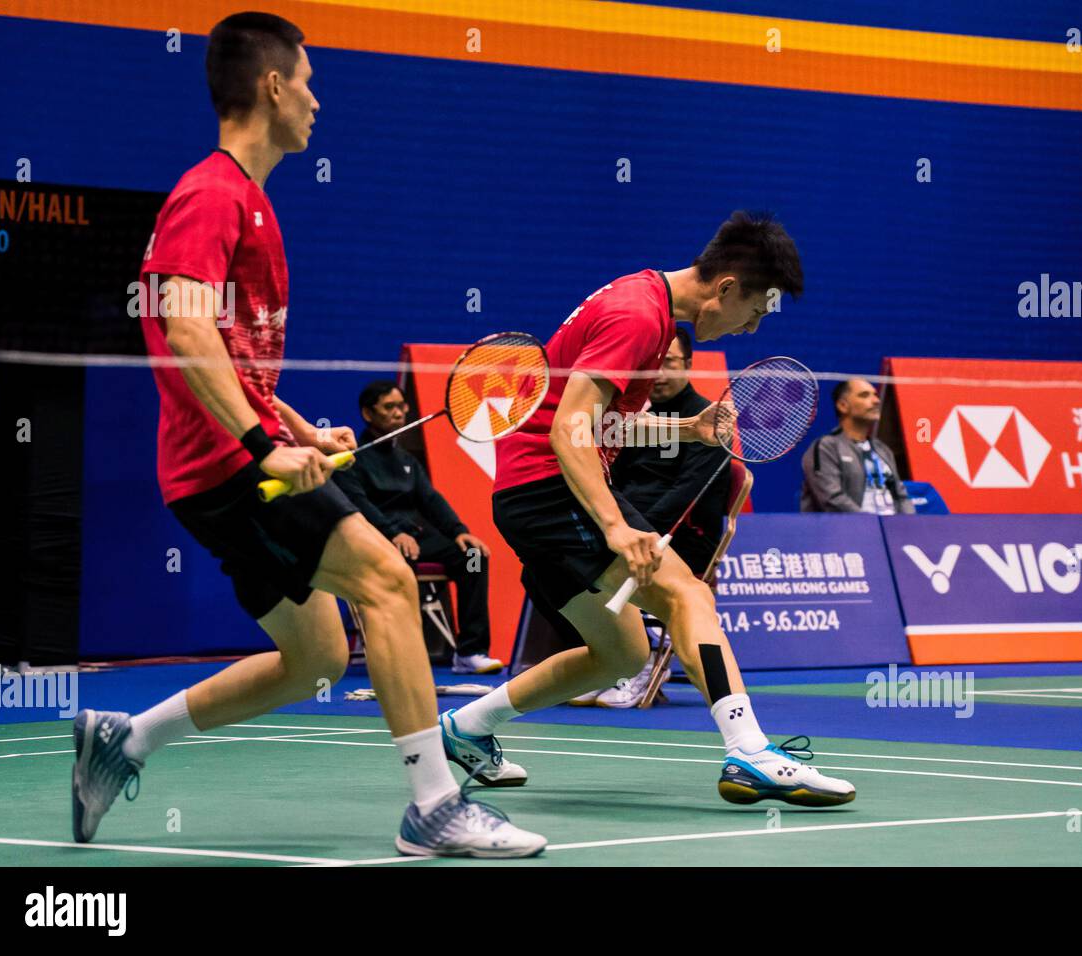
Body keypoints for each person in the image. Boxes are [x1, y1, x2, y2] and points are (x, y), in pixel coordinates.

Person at [70, 12, 543, 858]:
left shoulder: (248, 202)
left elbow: (231, 352)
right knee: (391, 581)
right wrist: (261, 449)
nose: (319, 101)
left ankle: (125, 740)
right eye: (311, 80)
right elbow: (184, 333)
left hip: (232, 461)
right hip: (228, 471)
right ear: (273, 85)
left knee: (317, 657)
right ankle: (433, 804)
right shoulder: (209, 193)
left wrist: (289, 424)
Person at [436, 212, 856, 808]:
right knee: (689, 595)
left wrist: (688, 427)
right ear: (727, 287)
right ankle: (751, 751)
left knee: (621, 654)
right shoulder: (638, 317)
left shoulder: (644, 303)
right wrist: (614, 525)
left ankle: (465, 728)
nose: (753, 328)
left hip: (530, 494)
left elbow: (600, 423)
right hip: (552, 486)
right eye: (756, 311)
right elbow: (569, 430)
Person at [574, 328, 730, 707]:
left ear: (690, 365)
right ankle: (606, 662)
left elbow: (686, 497)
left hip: (681, 537)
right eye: (654, 365)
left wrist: (627, 530)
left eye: (670, 364)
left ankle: (640, 666)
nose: (659, 373)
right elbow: (610, 477)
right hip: (626, 527)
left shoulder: (708, 421)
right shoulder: (632, 418)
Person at [334, 381, 503, 675]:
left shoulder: (406, 461)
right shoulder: (351, 460)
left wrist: (458, 531)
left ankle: (470, 652)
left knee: (473, 558)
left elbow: (430, 500)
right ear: (367, 413)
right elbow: (358, 506)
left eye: (402, 406)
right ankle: (402, 652)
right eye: (389, 407)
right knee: (402, 561)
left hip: (414, 538)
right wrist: (392, 534)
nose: (399, 413)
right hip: (376, 540)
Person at [800, 378, 914, 514]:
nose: (876, 401)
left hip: (891, 531)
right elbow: (832, 500)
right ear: (843, 406)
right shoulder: (826, 447)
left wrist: (909, 526)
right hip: (849, 531)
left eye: (876, 395)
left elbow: (902, 497)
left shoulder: (883, 450)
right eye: (865, 395)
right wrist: (871, 525)